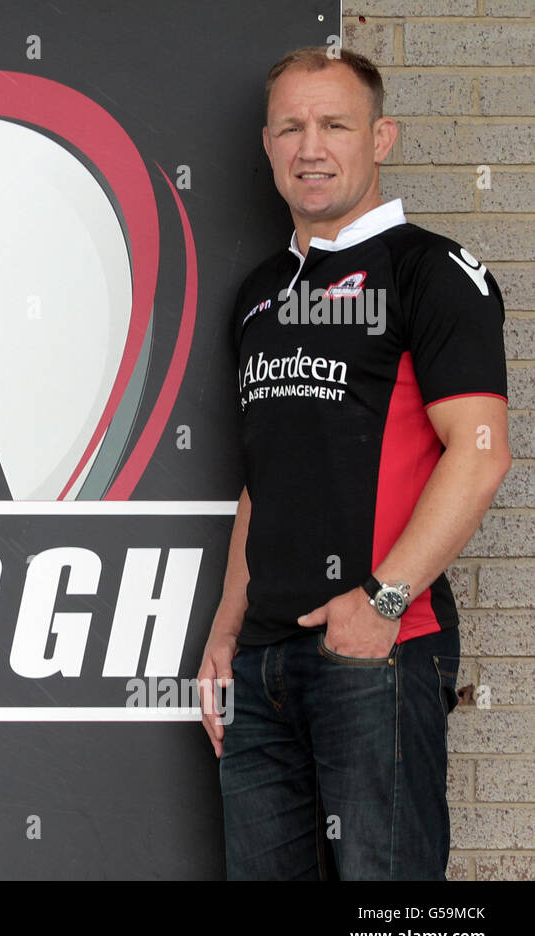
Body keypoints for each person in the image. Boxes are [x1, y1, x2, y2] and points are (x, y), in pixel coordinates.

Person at [197, 45, 511, 880]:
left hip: (378, 650)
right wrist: (227, 635)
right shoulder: (260, 294)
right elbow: (264, 481)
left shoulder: (431, 272)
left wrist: (379, 604)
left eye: (335, 124)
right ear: (267, 146)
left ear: (381, 139)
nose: (311, 146)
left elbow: (480, 455)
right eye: (291, 127)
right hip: (261, 670)